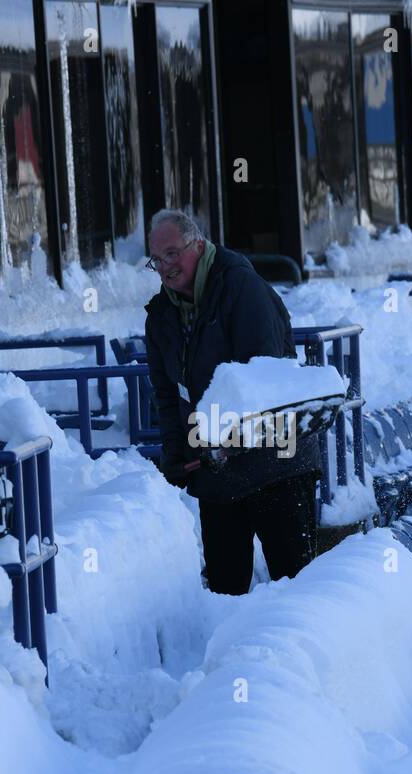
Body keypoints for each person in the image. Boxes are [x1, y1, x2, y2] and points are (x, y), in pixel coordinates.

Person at [143, 208, 320, 595]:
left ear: (199, 244)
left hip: (278, 462)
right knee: (225, 590)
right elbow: (167, 395)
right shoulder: (160, 316)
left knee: (297, 588)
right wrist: (178, 458)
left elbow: (262, 377)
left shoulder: (241, 288)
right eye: (156, 259)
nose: (165, 266)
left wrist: (225, 443)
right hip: (217, 471)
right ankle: (236, 655)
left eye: (172, 253)